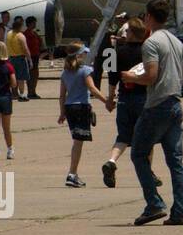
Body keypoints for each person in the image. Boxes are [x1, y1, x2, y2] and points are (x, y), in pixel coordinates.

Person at [129, 0, 183, 226]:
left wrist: (131, 77)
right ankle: (182, 210)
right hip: (175, 102)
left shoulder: (151, 43)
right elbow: (182, 73)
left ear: (148, 17)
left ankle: (154, 203)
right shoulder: (177, 42)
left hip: (157, 105)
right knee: (175, 161)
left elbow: (151, 76)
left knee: (138, 154)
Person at [101, 19, 161, 188]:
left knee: (123, 136)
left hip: (124, 99)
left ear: (132, 33)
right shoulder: (148, 51)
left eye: (127, 32)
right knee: (147, 138)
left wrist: (110, 98)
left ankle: (111, 161)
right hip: (144, 99)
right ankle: (148, 172)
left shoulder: (114, 52)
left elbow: (112, 77)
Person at [58, 42, 111, 187]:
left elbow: (62, 95)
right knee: (78, 143)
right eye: (85, 53)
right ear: (79, 55)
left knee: (77, 141)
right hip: (81, 108)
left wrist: (62, 112)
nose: (87, 55)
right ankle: (72, 174)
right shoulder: (85, 70)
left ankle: (73, 173)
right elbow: (92, 89)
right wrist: (106, 101)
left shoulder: (65, 73)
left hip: (69, 108)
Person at [6, 16, 32, 103]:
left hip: (11, 58)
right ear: (20, 27)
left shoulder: (9, 34)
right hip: (20, 58)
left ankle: (13, 93)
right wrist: (30, 60)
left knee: (13, 77)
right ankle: (21, 94)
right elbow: (25, 49)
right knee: (21, 78)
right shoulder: (21, 36)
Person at [23, 16, 43, 98]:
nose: (35, 24)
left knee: (35, 74)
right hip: (30, 57)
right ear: (30, 24)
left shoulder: (34, 33)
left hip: (36, 56)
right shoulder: (26, 34)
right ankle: (30, 92)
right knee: (31, 75)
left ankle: (33, 91)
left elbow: (40, 42)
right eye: (34, 23)